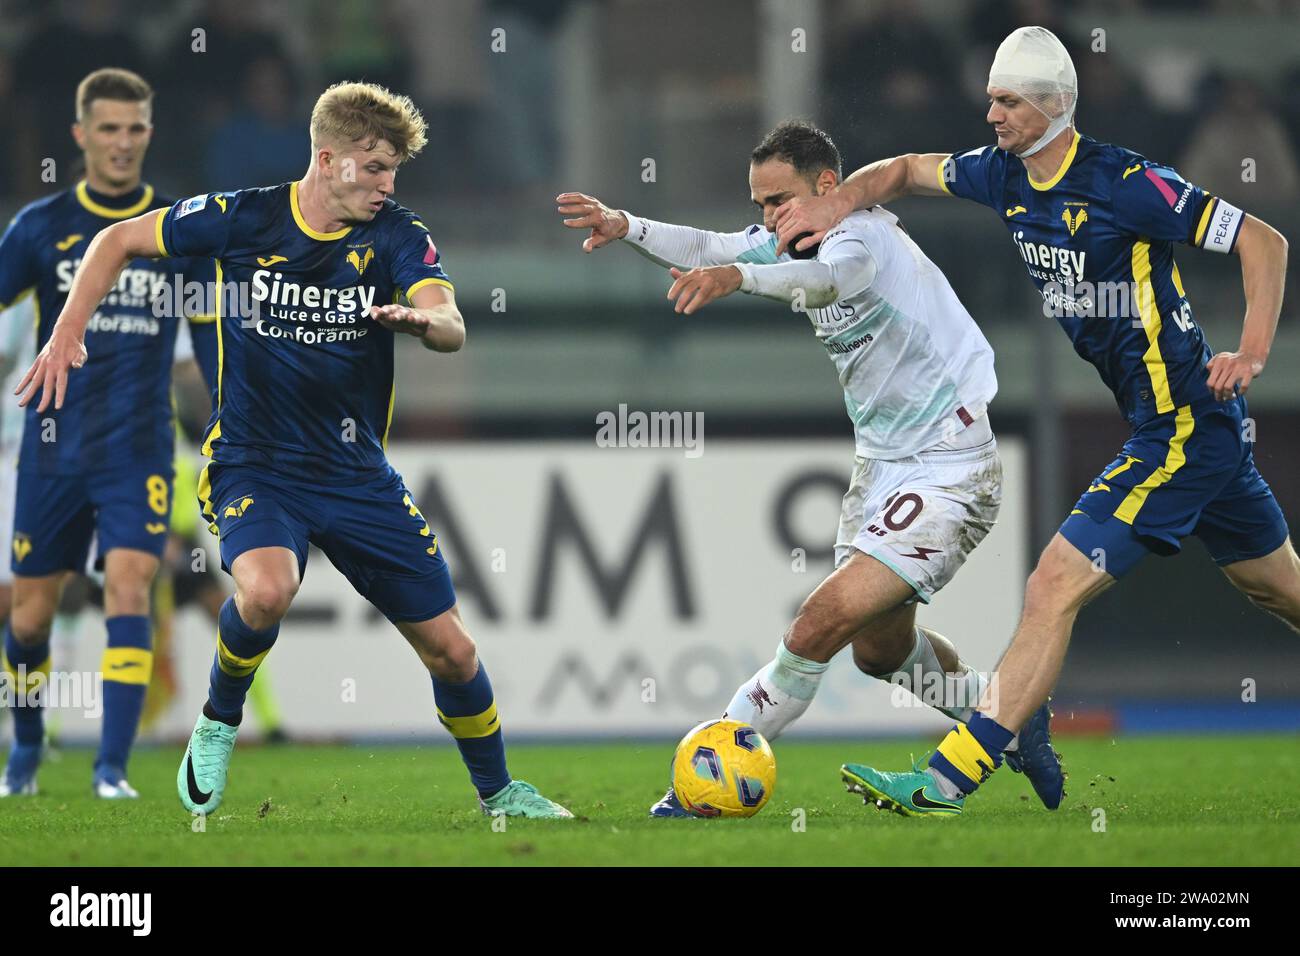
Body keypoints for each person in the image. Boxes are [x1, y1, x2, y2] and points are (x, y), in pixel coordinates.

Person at [774, 26, 1294, 817]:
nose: (991, 114)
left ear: (1055, 106)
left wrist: (1251, 352)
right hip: (1187, 427)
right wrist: (836, 200)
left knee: (1054, 582)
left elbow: (1264, 240)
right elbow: (911, 170)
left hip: (1184, 424)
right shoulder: (1002, 176)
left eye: (1009, 100)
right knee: (1280, 592)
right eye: (989, 98)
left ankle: (948, 780)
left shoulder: (1128, 182)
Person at [19, 81, 572, 819]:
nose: (386, 186)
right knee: (268, 590)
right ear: (327, 158)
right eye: (374, 168)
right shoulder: (241, 218)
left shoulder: (396, 234)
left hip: (355, 475)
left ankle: (501, 791)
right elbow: (115, 240)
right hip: (253, 463)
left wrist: (423, 321)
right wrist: (66, 331)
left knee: (455, 653)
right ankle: (218, 720)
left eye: (394, 172)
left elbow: (452, 321)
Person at [556, 119, 1063, 817]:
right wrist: (625, 223)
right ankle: (1006, 715)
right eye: (760, 203)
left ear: (828, 185)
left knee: (815, 625)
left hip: (950, 467)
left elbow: (828, 283)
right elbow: (709, 245)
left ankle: (695, 788)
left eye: (778, 199)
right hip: (884, 466)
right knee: (880, 653)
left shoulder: (861, 235)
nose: (767, 217)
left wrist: (739, 276)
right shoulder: (793, 235)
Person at [0, 68, 208, 798]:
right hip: (53, 449)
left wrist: (221, 427)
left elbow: (201, 349)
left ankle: (111, 770)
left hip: (139, 450)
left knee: (129, 586)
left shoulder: (180, 227)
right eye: (108, 129)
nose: (122, 143)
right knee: (28, 618)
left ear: (149, 134)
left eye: (134, 129)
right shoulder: (39, 227)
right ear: (80, 136)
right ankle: (25, 746)